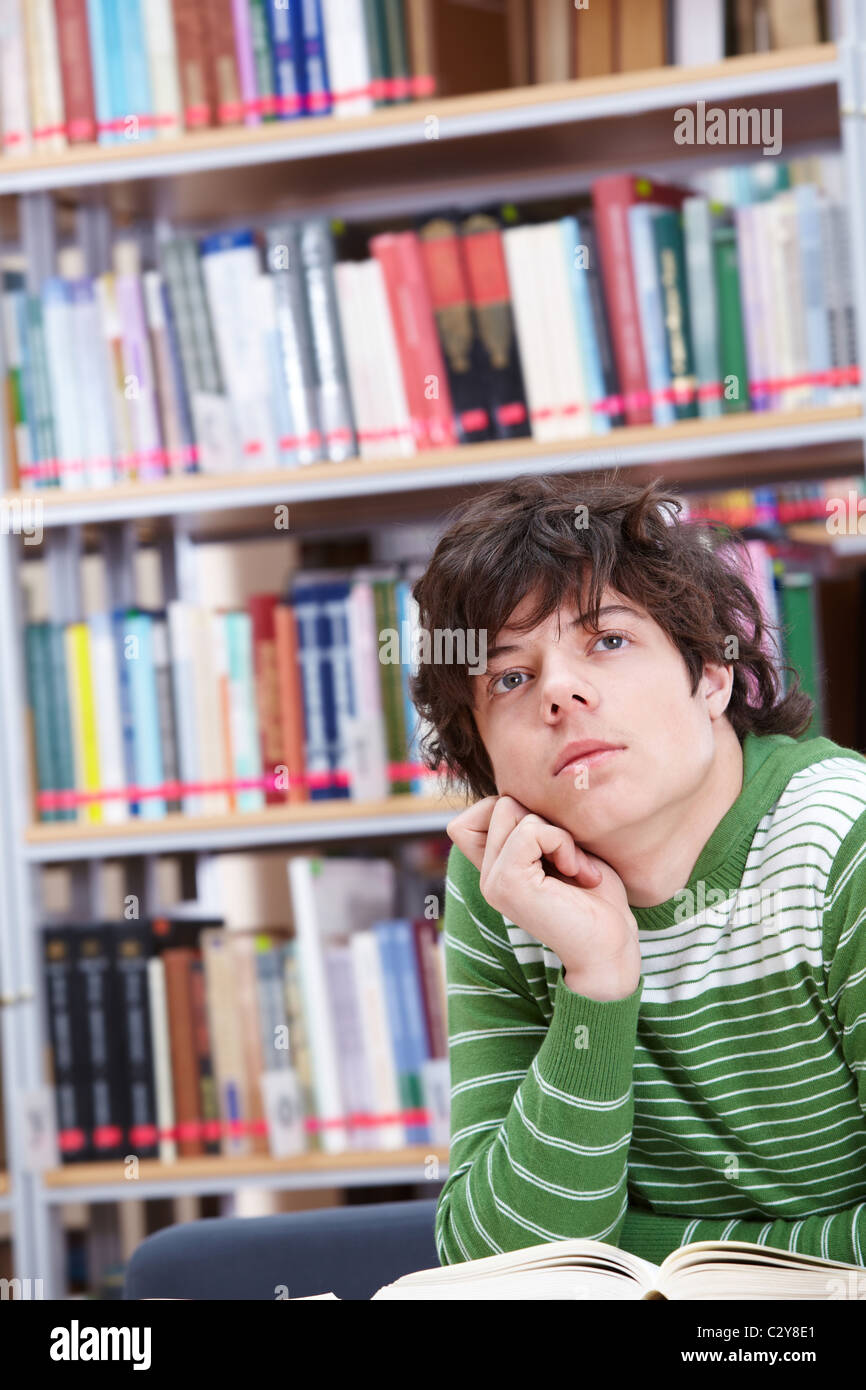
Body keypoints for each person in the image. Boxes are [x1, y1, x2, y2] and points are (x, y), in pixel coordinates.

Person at [410, 471, 866, 1269]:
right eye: (510, 678)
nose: (561, 692)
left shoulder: (842, 847)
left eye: (608, 641)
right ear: (482, 755)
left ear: (712, 673)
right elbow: (496, 1263)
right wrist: (598, 978)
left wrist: (639, 1250)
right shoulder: (508, 885)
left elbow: (580, 1266)